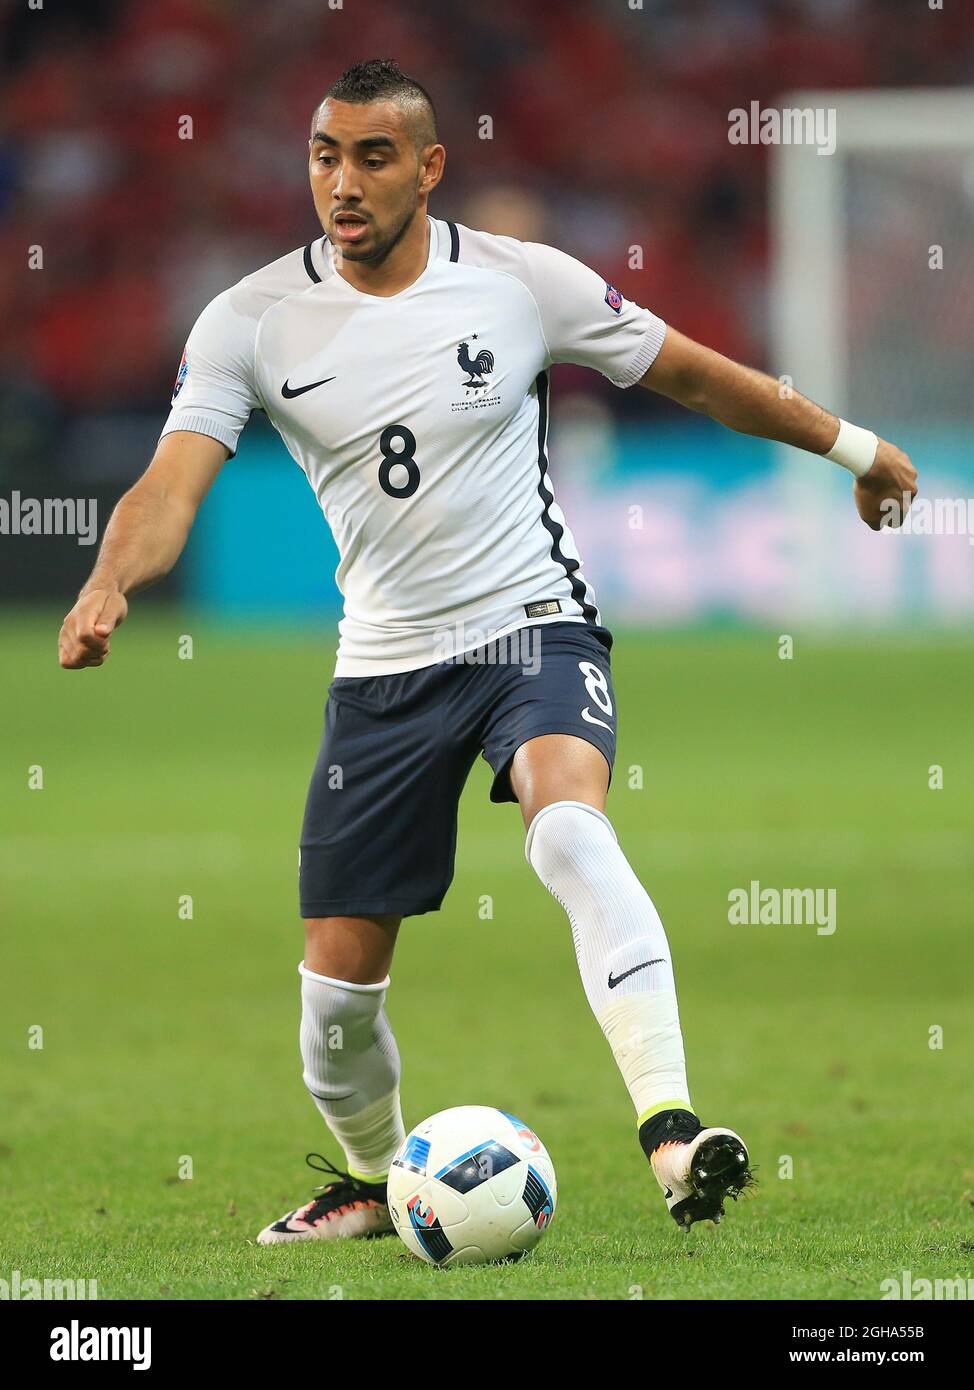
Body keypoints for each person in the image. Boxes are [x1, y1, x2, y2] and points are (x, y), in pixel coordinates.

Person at [58, 58, 917, 1243]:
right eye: (323, 155)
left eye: (370, 156)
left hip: (531, 624)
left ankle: (670, 1129)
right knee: (334, 1009)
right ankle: (367, 1179)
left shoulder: (522, 283)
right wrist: (108, 579)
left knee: (566, 823)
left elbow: (697, 376)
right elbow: (169, 483)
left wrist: (855, 446)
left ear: (427, 165)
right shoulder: (248, 319)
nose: (342, 183)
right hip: (382, 669)